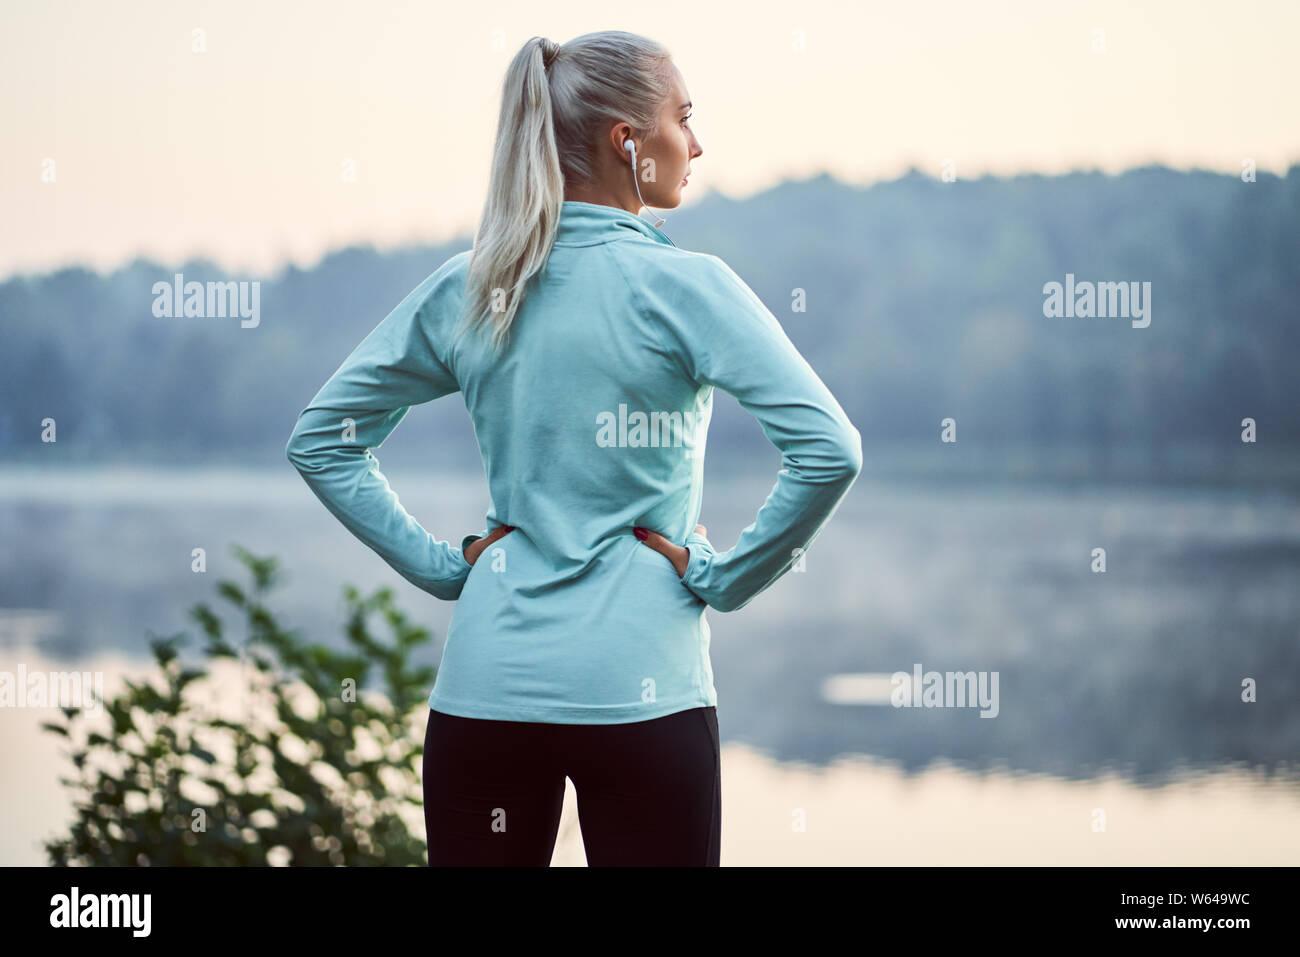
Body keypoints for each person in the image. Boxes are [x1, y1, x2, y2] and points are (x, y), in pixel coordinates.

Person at [285, 30, 862, 867]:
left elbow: (322, 442)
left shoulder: (477, 284)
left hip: (484, 702)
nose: (696, 144)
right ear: (628, 141)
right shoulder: (688, 288)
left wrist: (449, 569)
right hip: (646, 698)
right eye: (683, 118)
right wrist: (723, 578)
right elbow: (829, 448)